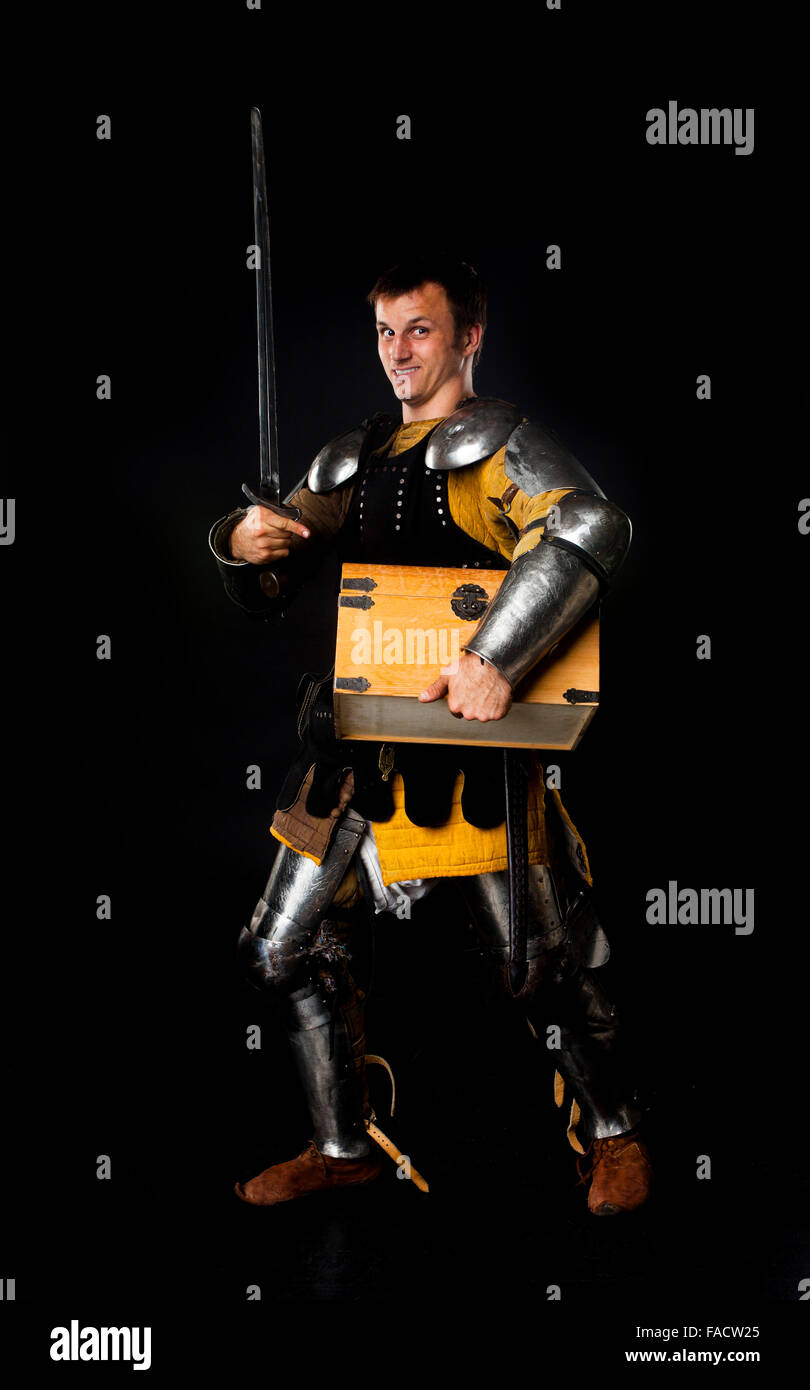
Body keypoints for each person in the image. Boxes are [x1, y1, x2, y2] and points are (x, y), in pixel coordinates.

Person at [209, 255, 652, 1215]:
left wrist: (494, 656)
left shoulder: (501, 446)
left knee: (533, 966)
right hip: (352, 749)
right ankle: (342, 1146)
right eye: (385, 332)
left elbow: (588, 527)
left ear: (469, 335)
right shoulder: (357, 454)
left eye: (420, 329)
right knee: (276, 954)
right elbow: (276, 561)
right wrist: (244, 544)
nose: (399, 352)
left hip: (472, 754)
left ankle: (615, 1132)